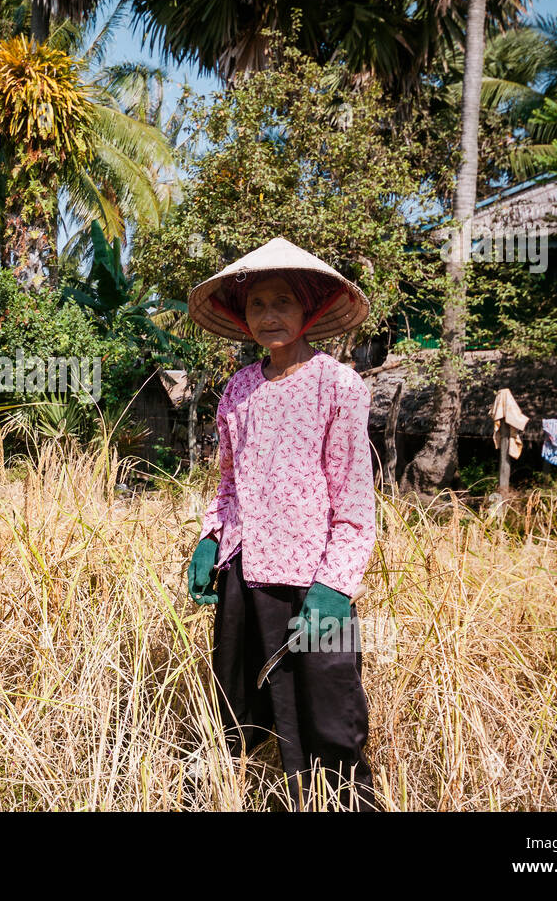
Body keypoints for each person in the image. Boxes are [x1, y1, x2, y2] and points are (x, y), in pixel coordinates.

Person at [185, 237, 380, 812]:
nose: (269, 316)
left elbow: (354, 500)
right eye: (257, 306)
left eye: (283, 303)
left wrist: (335, 585)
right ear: (242, 318)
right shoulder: (238, 390)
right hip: (247, 576)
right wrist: (210, 538)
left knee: (330, 713)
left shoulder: (338, 385)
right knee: (242, 709)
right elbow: (228, 483)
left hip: (314, 581)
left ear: (309, 311)